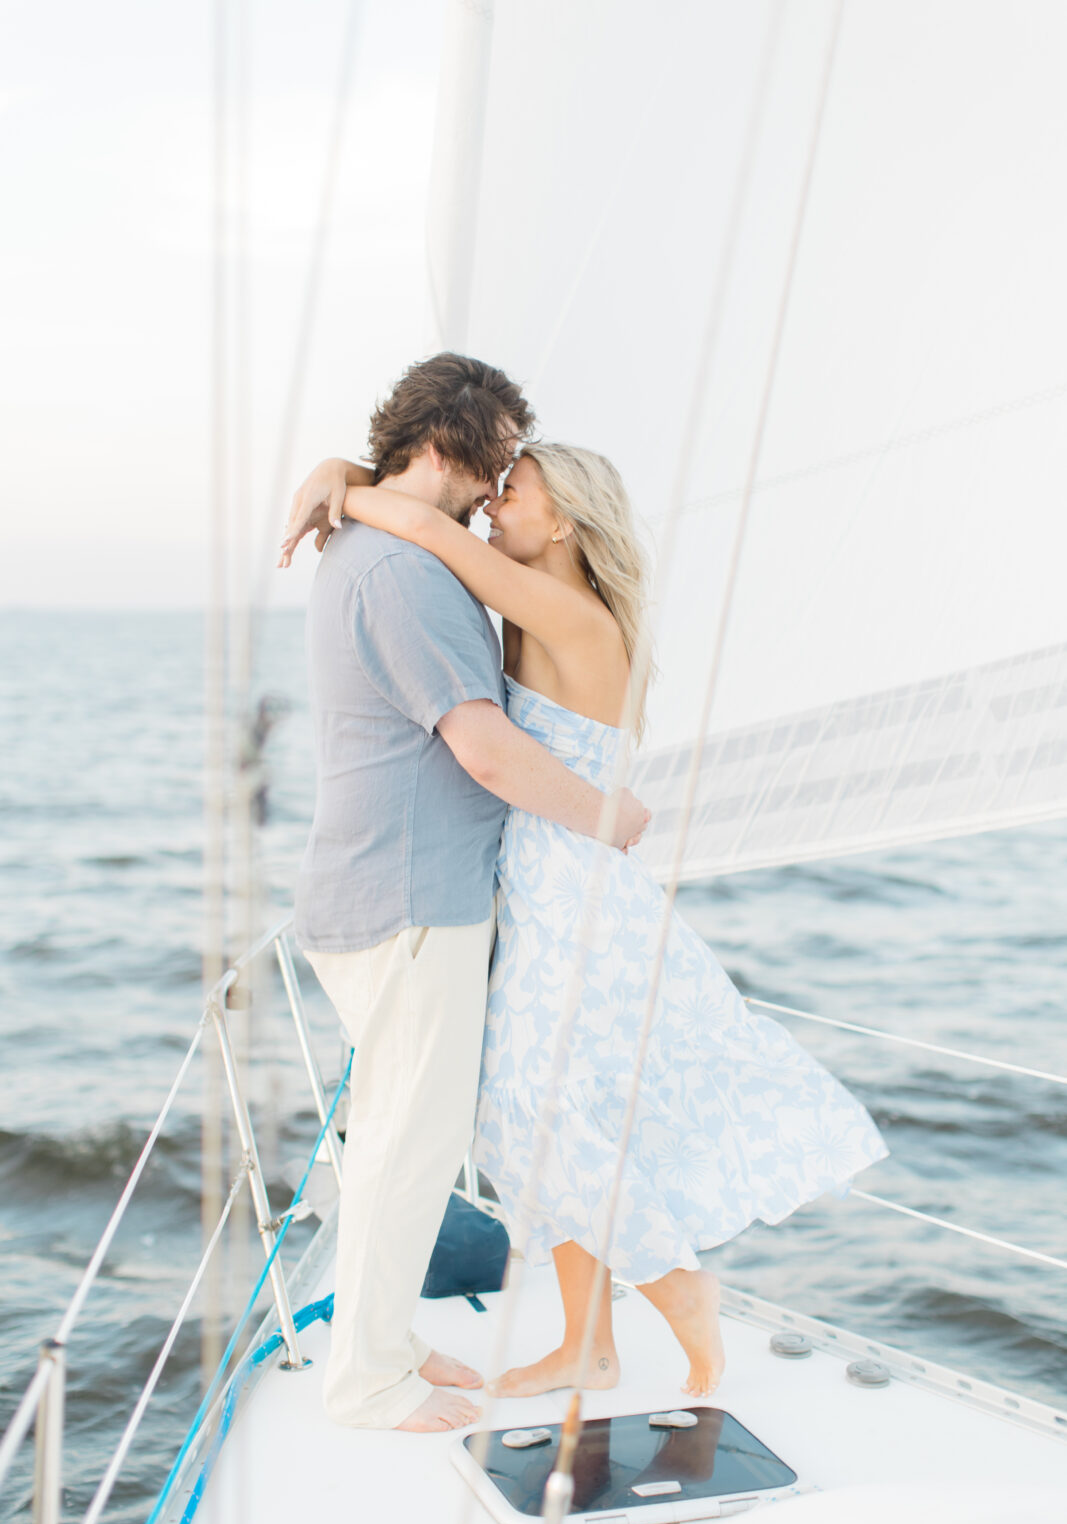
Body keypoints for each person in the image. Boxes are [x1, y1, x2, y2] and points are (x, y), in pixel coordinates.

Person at [282, 436, 890, 1401]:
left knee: (535, 1111)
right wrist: (345, 475)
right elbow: (434, 522)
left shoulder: (569, 614)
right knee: (552, 1115)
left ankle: (682, 1296)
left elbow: (430, 529)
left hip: (570, 890)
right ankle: (587, 1347)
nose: (493, 505)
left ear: (563, 520)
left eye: (512, 493)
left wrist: (340, 488)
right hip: (532, 882)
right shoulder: (533, 604)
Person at [287, 355, 650, 1435]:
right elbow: (483, 747)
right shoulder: (402, 573)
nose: (496, 492)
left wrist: (343, 474)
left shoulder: (385, 547)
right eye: (495, 464)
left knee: (403, 1135)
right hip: (410, 900)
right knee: (408, 1146)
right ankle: (368, 1384)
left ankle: (386, 1344)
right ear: (452, 446)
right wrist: (606, 817)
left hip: (398, 888)